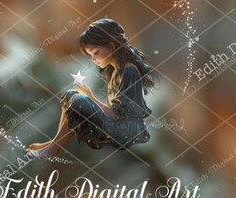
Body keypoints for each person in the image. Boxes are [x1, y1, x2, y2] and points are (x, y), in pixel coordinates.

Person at [27, 18, 154, 158]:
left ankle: (54, 148)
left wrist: (91, 97)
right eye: (90, 55)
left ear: (111, 46)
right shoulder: (114, 71)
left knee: (80, 101)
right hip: (117, 125)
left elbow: (118, 115)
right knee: (71, 94)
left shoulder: (129, 72)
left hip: (126, 133)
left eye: (95, 52)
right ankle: (55, 143)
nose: (93, 59)